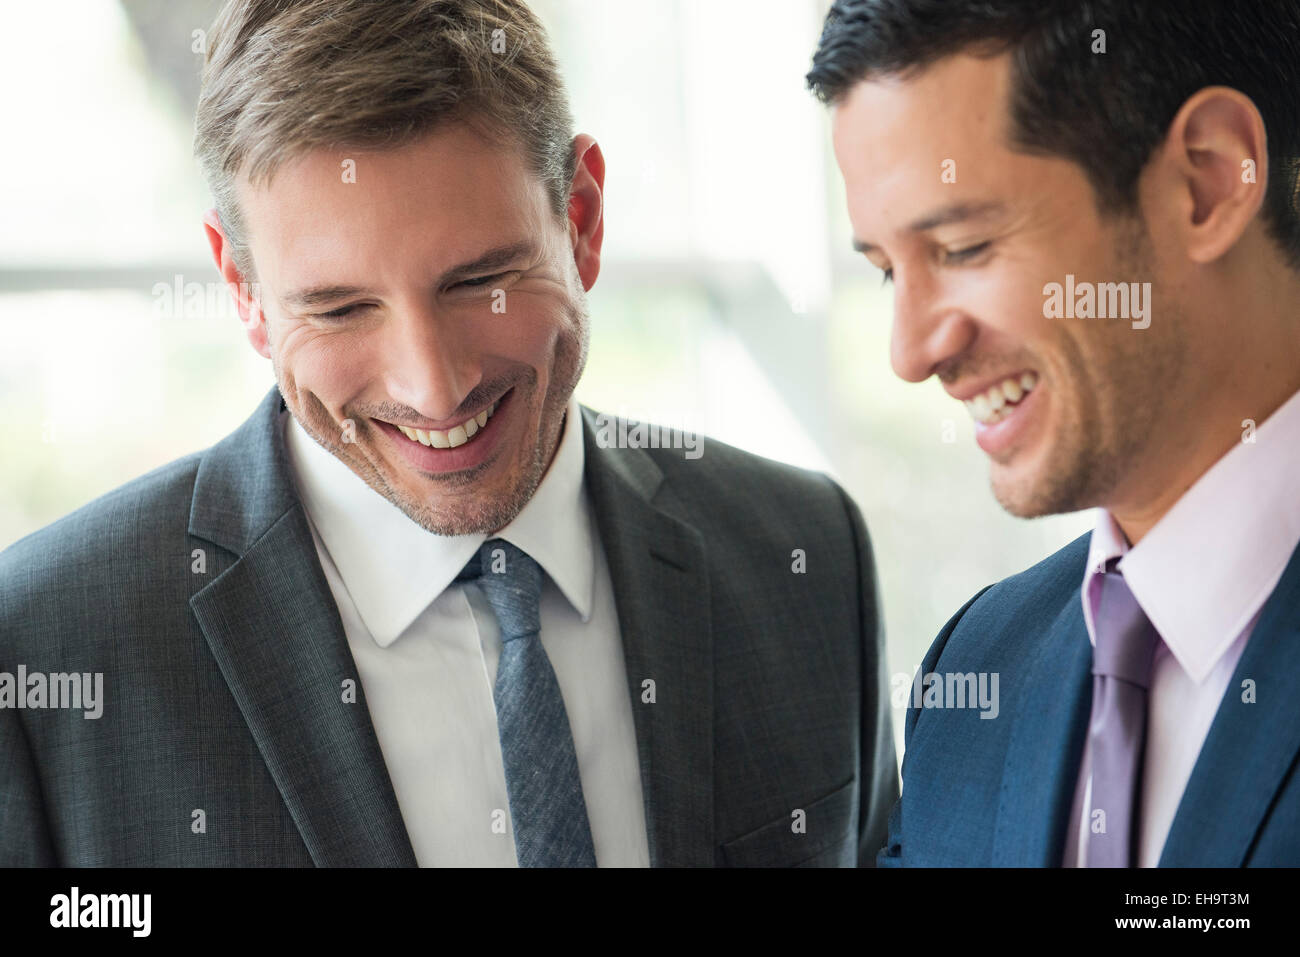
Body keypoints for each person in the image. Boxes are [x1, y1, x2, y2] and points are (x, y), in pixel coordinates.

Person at [0, 0, 896, 867]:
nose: (434, 386)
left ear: (580, 220)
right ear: (243, 289)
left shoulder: (806, 556)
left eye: (482, 281)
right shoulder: (45, 645)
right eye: (342, 307)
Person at [809, 0, 1300, 866]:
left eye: (963, 247)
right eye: (888, 271)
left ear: (1209, 181)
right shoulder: (977, 671)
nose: (912, 351)